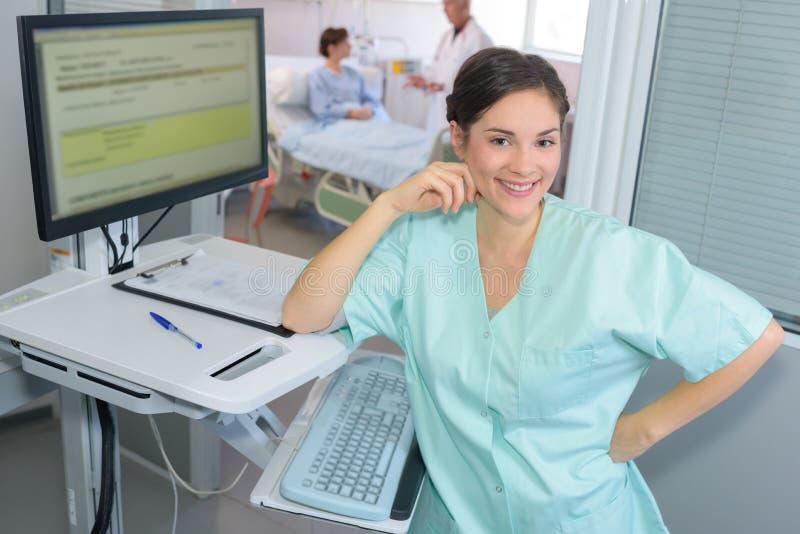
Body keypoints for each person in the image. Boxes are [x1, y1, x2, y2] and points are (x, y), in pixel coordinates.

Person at [282, 48, 784, 533]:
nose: (526, 166)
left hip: (576, 519)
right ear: (458, 138)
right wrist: (387, 205)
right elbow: (303, 314)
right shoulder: (419, 242)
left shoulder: (612, 254)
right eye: (501, 140)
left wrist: (640, 431)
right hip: (456, 519)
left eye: (545, 142)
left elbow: (756, 336)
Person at [406, 0, 492, 132]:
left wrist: (444, 86)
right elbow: (437, 68)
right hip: (438, 112)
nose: (444, 9)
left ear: (465, 5)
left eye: (449, 4)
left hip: (460, 115)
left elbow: (480, 85)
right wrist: (425, 81)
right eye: (443, 5)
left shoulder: (479, 39)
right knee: (436, 146)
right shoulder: (446, 36)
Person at [308, 27, 389, 123]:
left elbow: (371, 99)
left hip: (365, 119)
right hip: (338, 123)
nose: (350, 46)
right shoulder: (318, 76)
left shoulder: (353, 74)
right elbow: (319, 108)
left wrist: (368, 109)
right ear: (332, 48)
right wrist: (349, 113)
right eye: (345, 43)